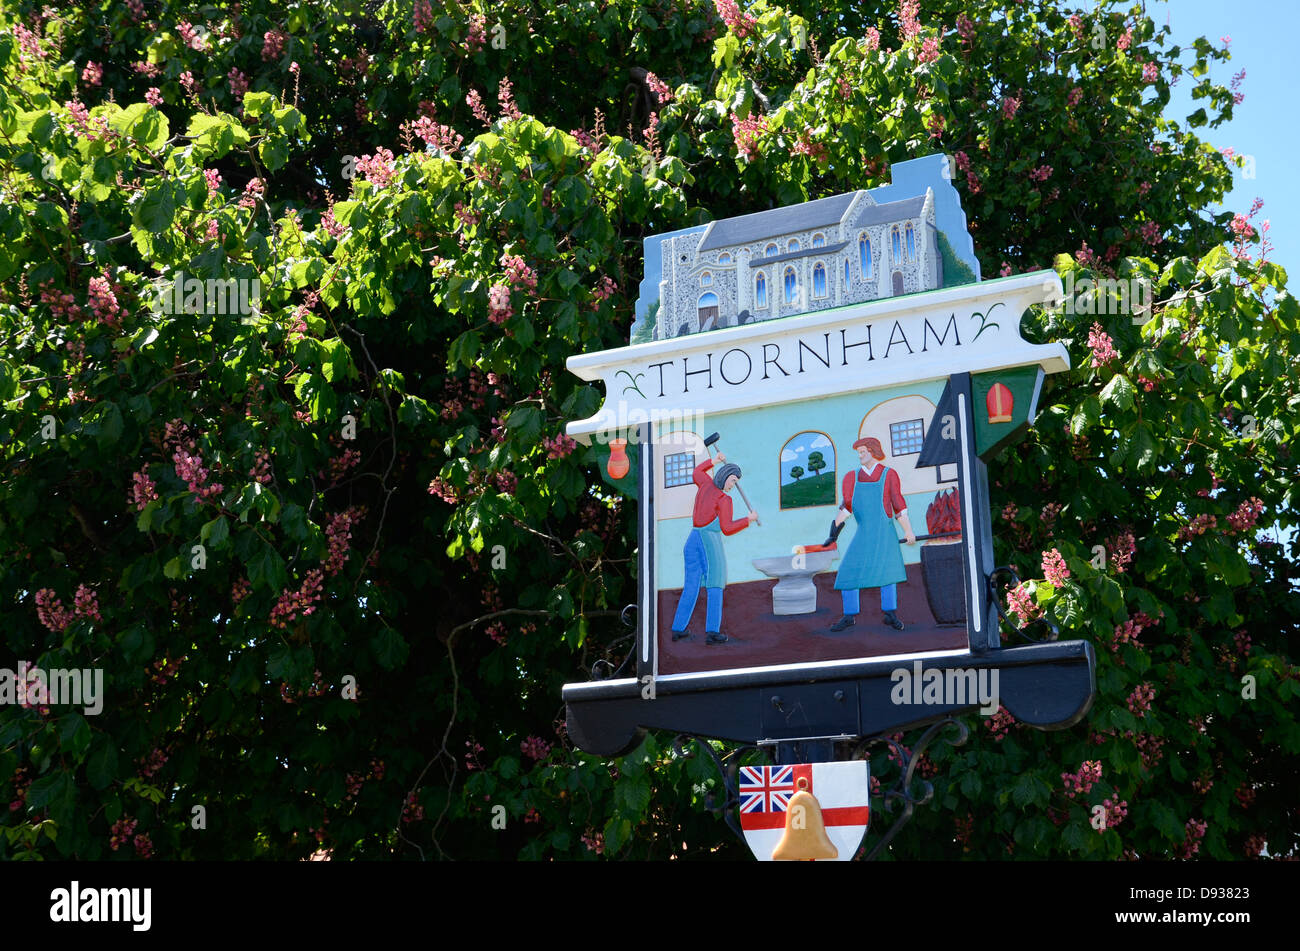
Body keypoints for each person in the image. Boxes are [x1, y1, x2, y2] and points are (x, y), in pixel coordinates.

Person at [826, 437, 915, 631]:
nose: (860, 456)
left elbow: (898, 506)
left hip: (885, 531)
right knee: (848, 571)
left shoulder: (889, 475)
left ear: (873, 451)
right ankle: (849, 615)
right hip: (864, 531)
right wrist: (833, 532)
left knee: (888, 572)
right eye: (858, 452)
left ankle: (890, 614)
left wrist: (908, 531)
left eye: (863, 452)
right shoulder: (852, 477)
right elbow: (847, 508)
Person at [669, 452, 758, 645]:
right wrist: (748, 520)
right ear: (725, 476)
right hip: (708, 541)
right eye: (732, 481)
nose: (732, 486)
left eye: (735, 483)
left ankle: (677, 628)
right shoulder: (724, 500)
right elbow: (727, 528)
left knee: (691, 585)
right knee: (715, 583)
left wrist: (713, 461)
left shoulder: (705, 484)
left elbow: (696, 471)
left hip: (692, 539)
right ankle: (712, 632)